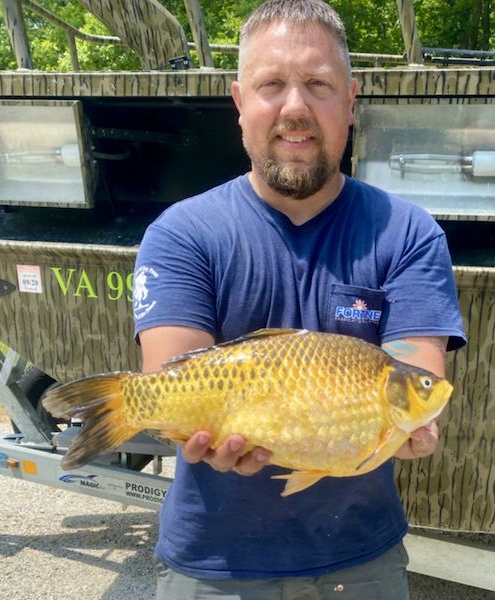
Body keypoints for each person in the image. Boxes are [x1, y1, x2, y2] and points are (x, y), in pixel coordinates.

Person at [132, 1, 466, 597]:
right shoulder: (182, 231)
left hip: (360, 557)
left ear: (351, 100)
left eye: (318, 84)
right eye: (272, 85)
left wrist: (418, 427)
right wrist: (194, 432)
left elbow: (418, 369)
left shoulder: (408, 232)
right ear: (239, 102)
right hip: (214, 561)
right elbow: (169, 377)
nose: (295, 107)